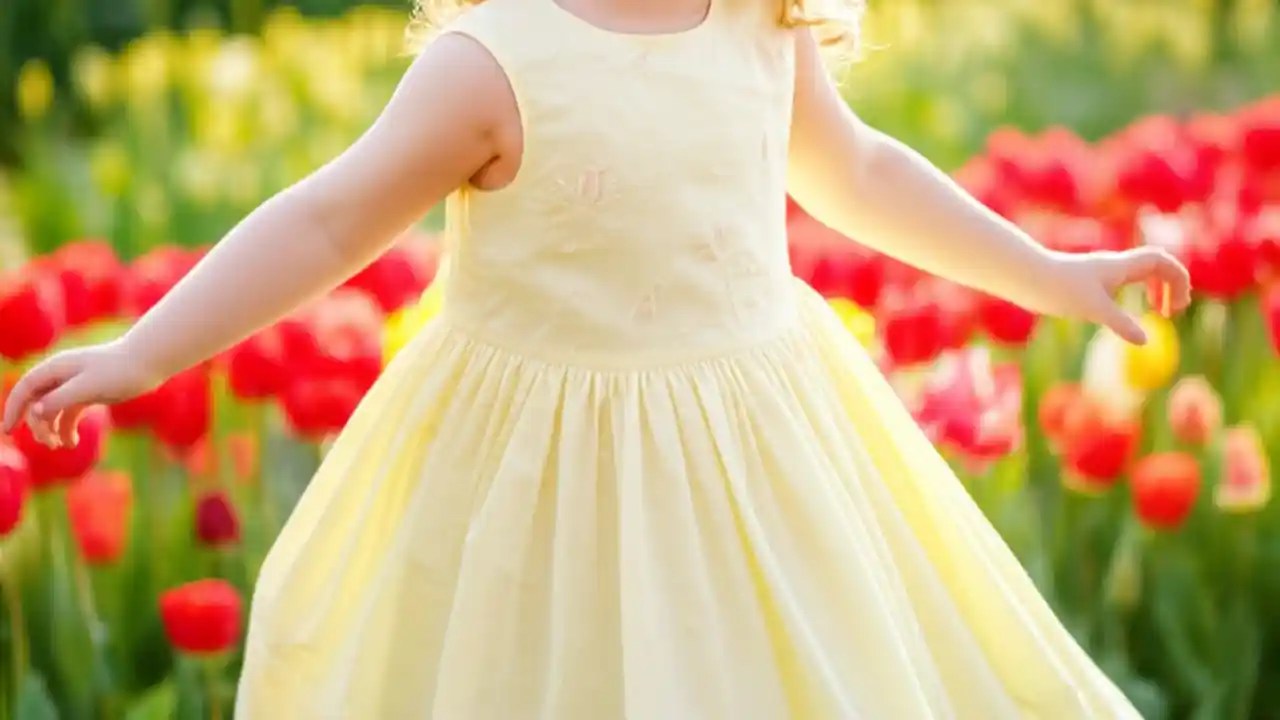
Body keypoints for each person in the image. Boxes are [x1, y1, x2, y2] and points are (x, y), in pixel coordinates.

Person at [3, 0, 1189, 716]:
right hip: (544, 484)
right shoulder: (493, 62)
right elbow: (326, 222)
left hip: (755, 459)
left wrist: (1047, 273)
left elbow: (858, 172)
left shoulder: (756, 22)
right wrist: (142, 354)